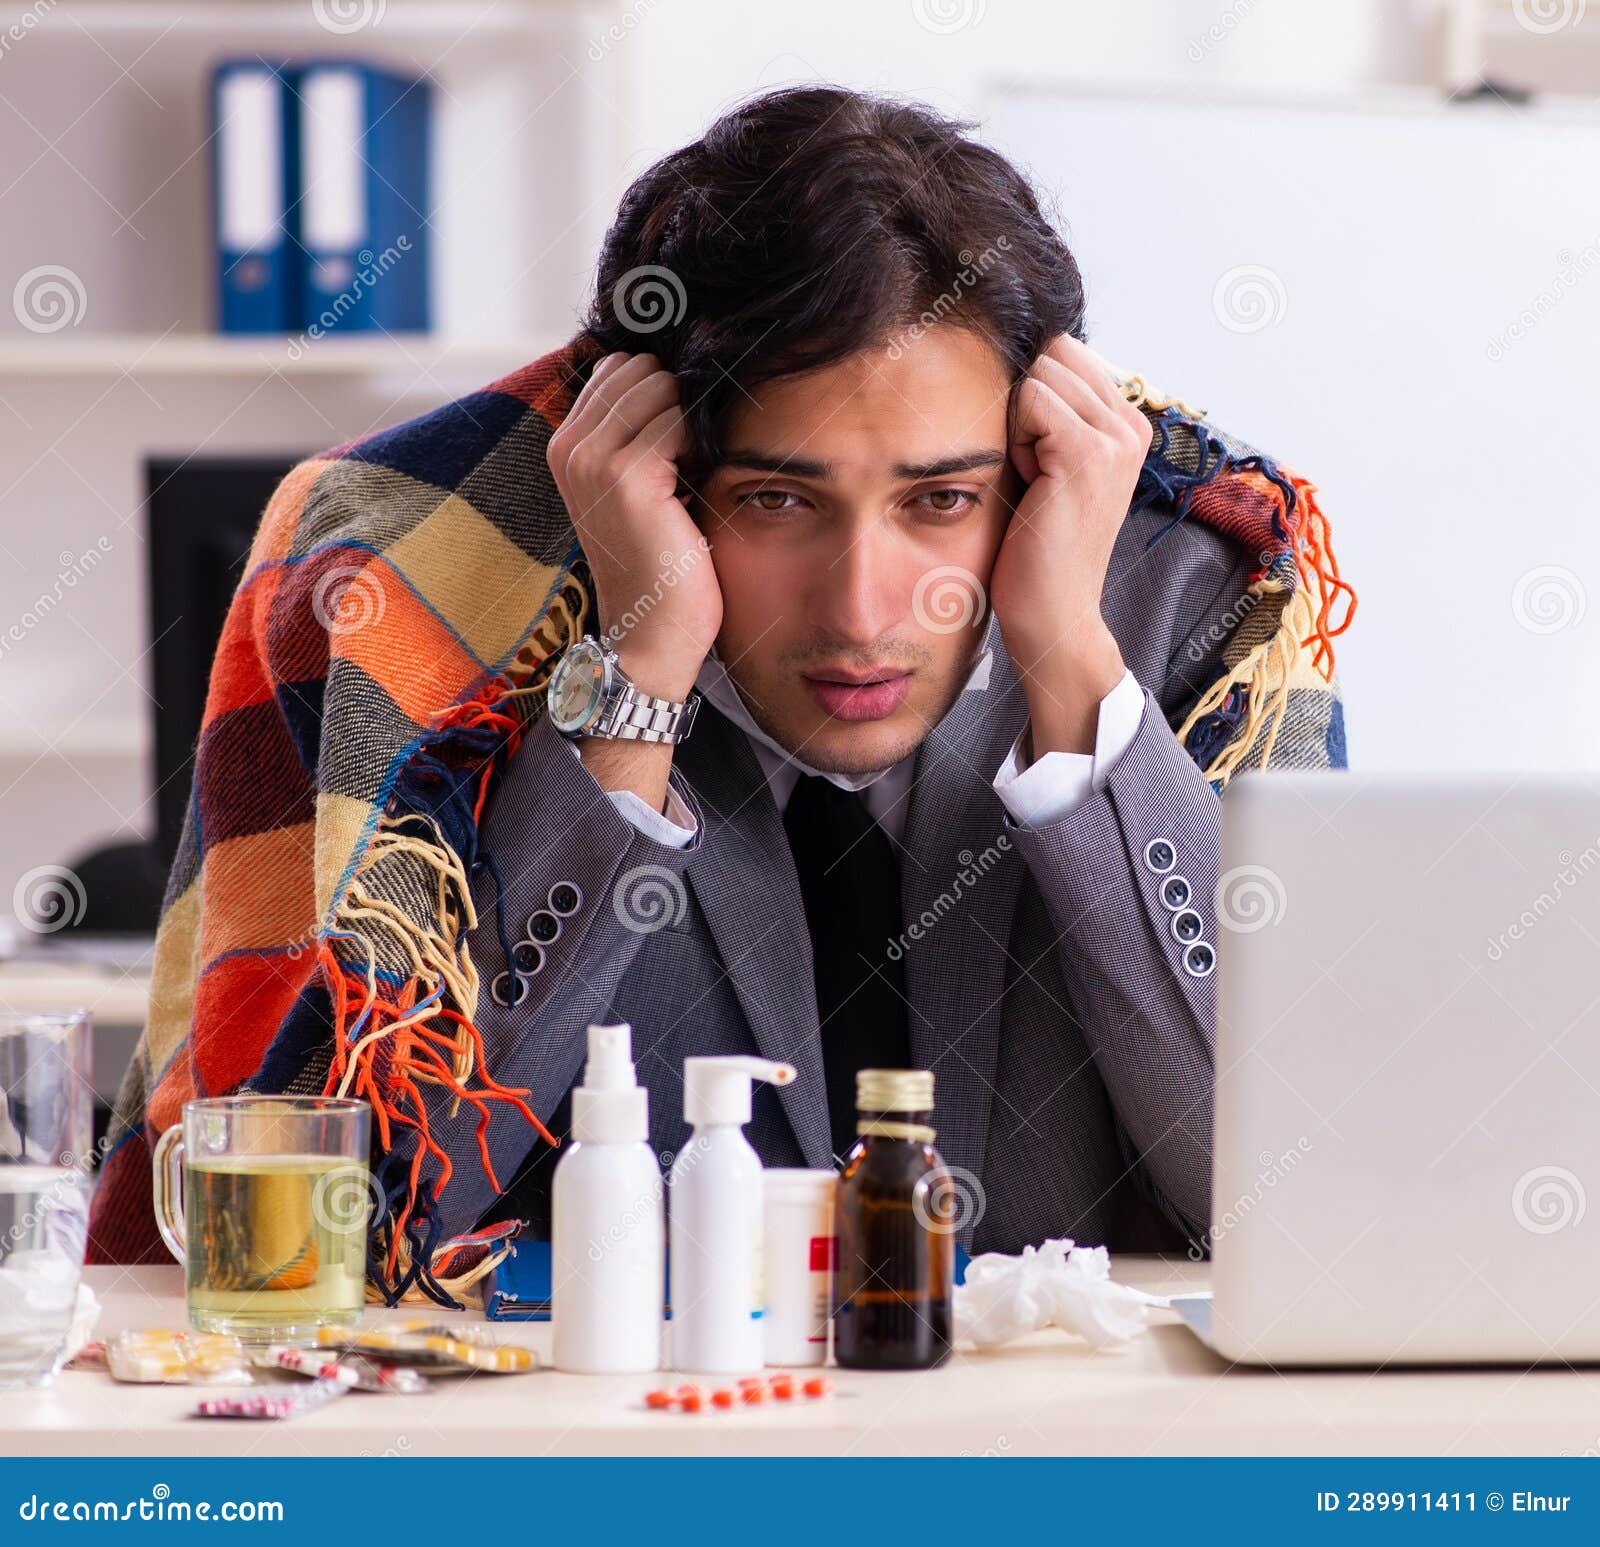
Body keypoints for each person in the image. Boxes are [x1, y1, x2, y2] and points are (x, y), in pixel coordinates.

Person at [87, 85, 1350, 1290]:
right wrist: (635, 675)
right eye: (778, 499)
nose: (863, 611)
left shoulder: (1210, 594)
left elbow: (1303, 1193)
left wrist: (1073, 668)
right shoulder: (404, 585)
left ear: (1029, 465)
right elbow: (332, 1232)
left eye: (942, 499)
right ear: (661, 462)